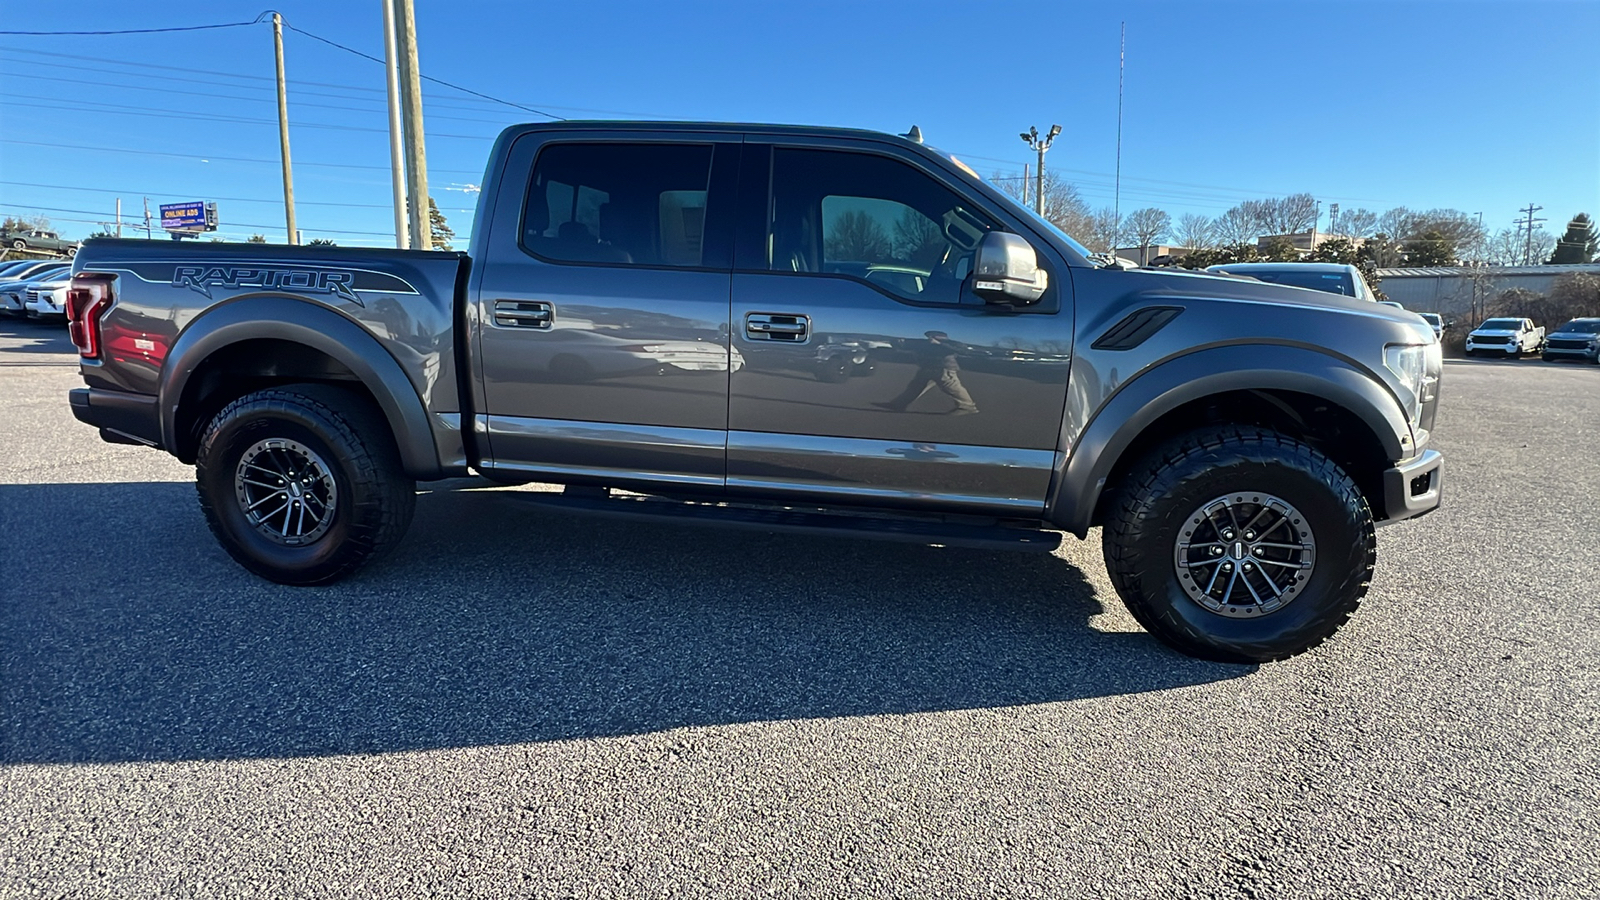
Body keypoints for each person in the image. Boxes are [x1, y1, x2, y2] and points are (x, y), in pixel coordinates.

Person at [877, 331, 978, 415]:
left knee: (953, 388)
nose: (930, 338)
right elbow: (905, 346)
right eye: (929, 336)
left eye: (933, 336)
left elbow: (963, 350)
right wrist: (898, 342)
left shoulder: (952, 344)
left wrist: (939, 344)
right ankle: (898, 404)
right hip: (927, 369)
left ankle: (967, 407)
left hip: (943, 369)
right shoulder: (924, 343)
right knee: (914, 387)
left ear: (942, 337)